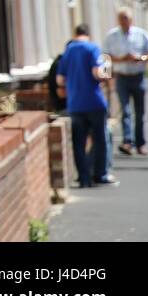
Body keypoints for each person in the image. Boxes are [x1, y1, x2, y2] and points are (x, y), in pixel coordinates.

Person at [56, 24, 117, 187]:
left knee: (78, 142)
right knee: (100, 139)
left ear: (75, 34)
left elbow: (60, 80)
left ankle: (83, 178)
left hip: (75, 104)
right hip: (94, 101)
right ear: (88, 35)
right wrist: (106, 75)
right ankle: (100, 174)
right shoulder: (93, 48)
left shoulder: (67, 52)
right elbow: (97, 73)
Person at [103, 9, 148, 156]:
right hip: (122, 77)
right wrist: (108, 74)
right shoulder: (112, 36)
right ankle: (127, 142)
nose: (123, 21)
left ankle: (140, 144)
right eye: (121, 19)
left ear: (131, 20)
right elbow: (105, 56)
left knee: (140, 113)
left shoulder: (140, 34)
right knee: (125, 111)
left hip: (138, 76)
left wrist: (141, 58)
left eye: (126, 18)